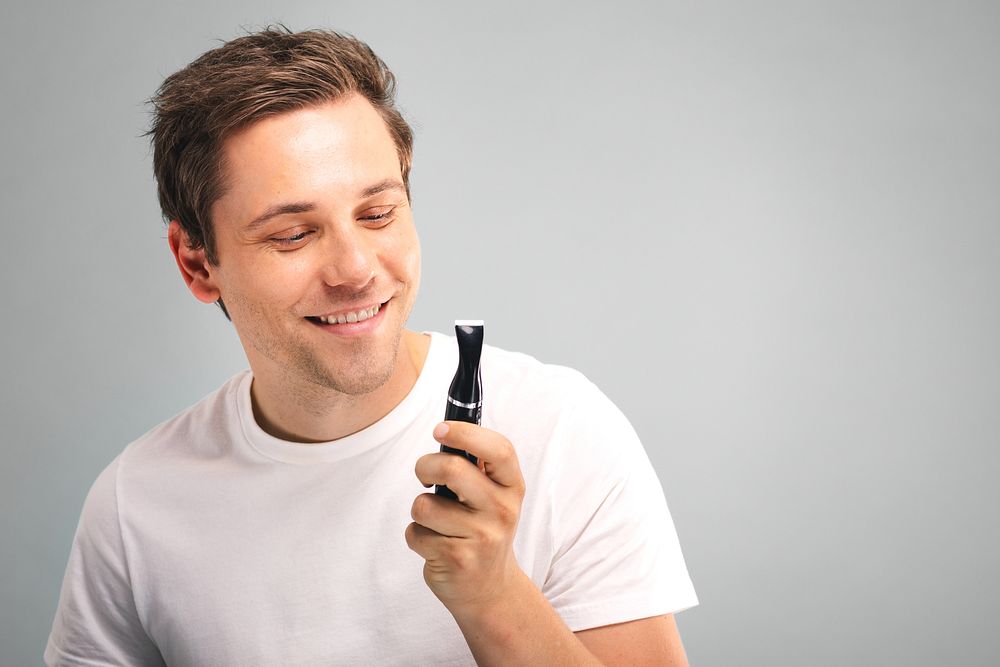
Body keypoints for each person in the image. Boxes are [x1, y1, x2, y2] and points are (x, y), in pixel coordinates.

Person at [45, 26, 697, 666]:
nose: (356, 268)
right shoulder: (134, 505)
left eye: (378, 213)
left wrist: (493, 596)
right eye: (294, 234)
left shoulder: (563, 434)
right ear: (197, 262)